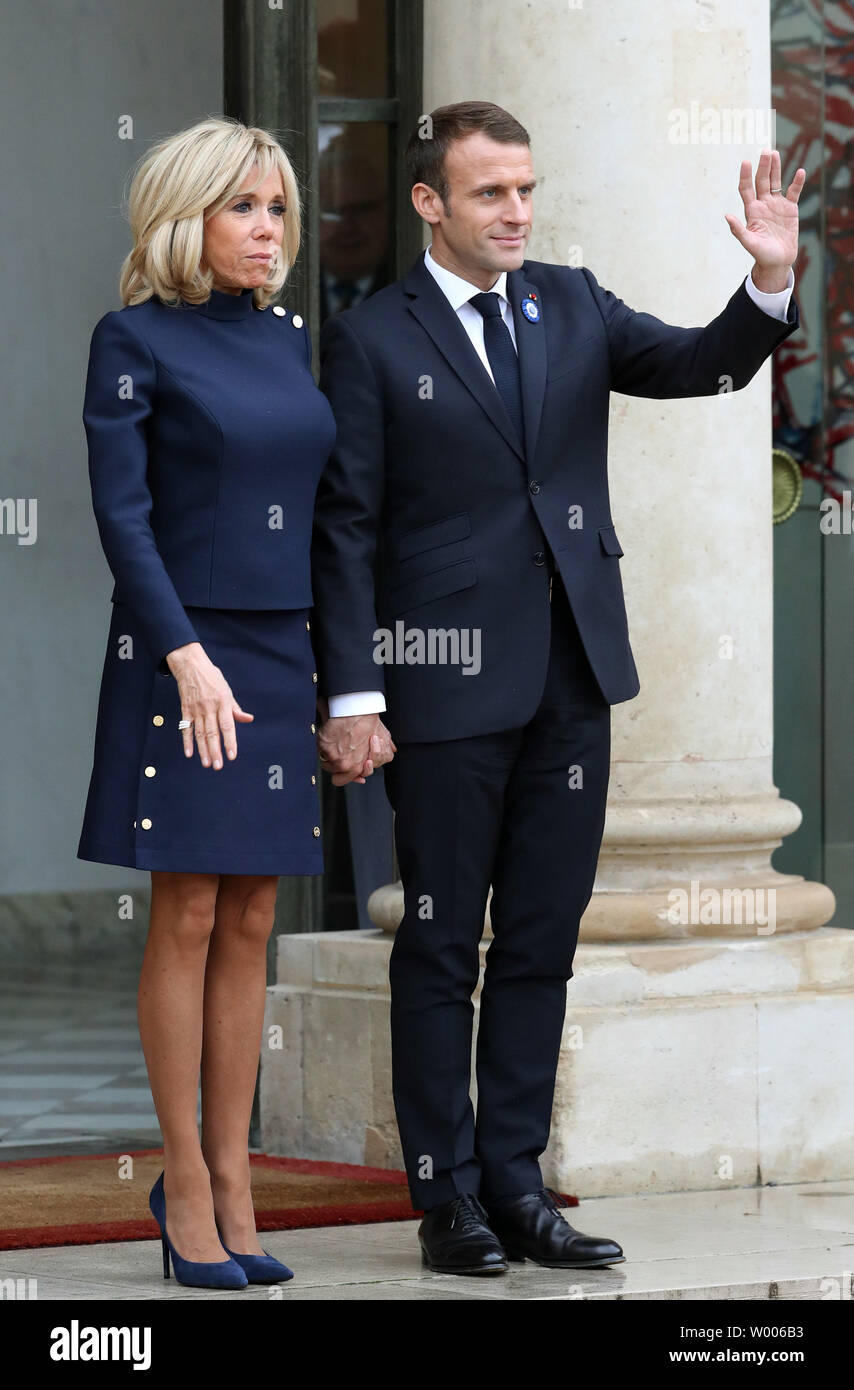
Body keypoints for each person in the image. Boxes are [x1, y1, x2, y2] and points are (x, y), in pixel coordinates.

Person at [311, 101, 803, 1275]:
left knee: (539, 941)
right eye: (490, 192)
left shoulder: (573, 302)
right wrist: (352, 696)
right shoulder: (374, 338)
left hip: (571, 675)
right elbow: (343, 528)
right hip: (438, 687)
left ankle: (518, 1186)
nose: (516, 211)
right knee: (437, 946)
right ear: (429, 202)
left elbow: (698, 366)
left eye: (524, 189)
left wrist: (769, 284)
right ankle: (446, 1199)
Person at [77, 116, 349, 1288]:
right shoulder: (130, 338)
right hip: (180, 651)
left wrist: (346, 684)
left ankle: (236, 1176)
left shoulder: (289, 341)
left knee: (252, 917)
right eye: (244, 205)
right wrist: (183, 653)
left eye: (278, 208)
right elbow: (122, 516)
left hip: (279, 654)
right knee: (187, 908)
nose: (267, 228)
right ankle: (184, 1177)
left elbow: (331, 519)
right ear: (186, 216)